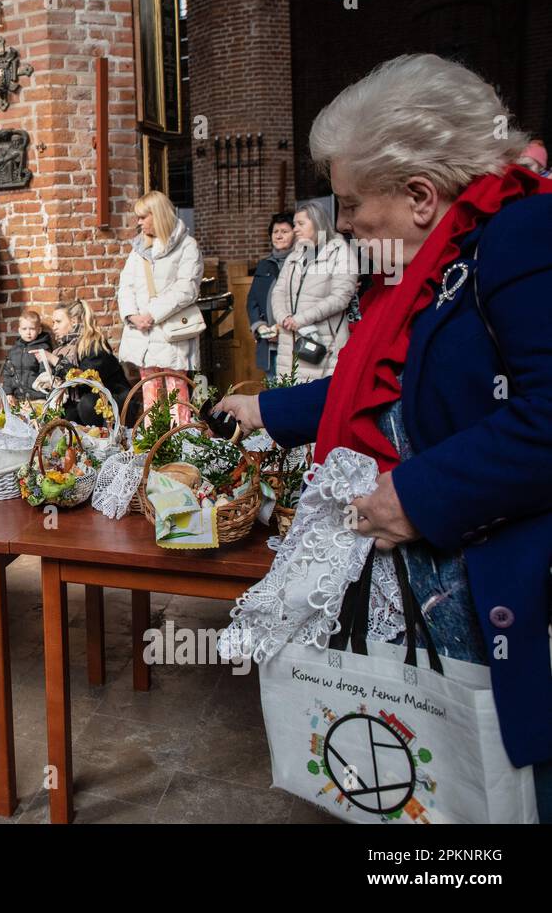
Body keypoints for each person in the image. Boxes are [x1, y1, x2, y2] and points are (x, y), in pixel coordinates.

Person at [215, 53, 552, 820]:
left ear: (421, 197)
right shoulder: (436, 264)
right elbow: (391, 387)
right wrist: (267, 410)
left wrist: (415, 495)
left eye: (353, 206)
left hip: (504, 588)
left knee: (504, 794)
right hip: (442, 587)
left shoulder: (524, 236)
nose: (347, 228)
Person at [116, 189, 202, 424]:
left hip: (169, 331)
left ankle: (181, 444)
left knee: (177, 393)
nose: (139, 222)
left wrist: (152, 314)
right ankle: (152, 447)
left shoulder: (187, 246)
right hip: (144, 333)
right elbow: (126, 285)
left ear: (158, 214)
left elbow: (187, 288)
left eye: (144, 217)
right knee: (149, 394)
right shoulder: (139, 250)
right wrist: (132, 315)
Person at [270, 201, 358, 381]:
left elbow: (341, 297)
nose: (295, 229)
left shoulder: (340, 251)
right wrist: (284, 317)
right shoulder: (296, 254)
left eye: (301, 224)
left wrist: (301, 319)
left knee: (317, 400)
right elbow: (278, 292)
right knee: (288, 399)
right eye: (294, 224)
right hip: (289, 346)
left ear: (318, 223)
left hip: (324, 344)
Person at [36, 298, 129, 425]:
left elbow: (85, 380)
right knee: (64, 415)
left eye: (58, 322)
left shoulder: (95, 344)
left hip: (113, 401)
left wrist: (54, 359)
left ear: (73, 321)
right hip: (88, 400)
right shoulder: (66, 347)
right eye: (53, 322)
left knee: (87, 404)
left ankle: (104, 440)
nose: (54, 327)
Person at [247, 212, 294, 380]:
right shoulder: (264, 264)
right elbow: (252, 300)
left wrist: (282, 327)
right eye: (275, 232)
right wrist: (259, 327)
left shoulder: (301, 263)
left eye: (284, 231)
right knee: (273, 388)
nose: (279, 235)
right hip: (269, 343)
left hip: (293, 341)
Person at [1, 309, 51, 405]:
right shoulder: (14, 351)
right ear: (19, 330)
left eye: (32, 329)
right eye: (24, 329)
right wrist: (8, 393)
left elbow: (45, 374)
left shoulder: (42, 349)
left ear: (39, 330)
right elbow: (8, 373)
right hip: (18, 398)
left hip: (38, 398)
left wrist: (41, 391)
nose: (28, 332)